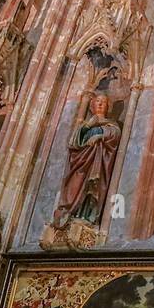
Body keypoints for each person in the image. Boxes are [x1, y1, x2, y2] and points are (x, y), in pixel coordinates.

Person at [52, 93, 121, 230]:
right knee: (76, 185)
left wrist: (100, 135)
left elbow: (116, 134)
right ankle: (71, 214)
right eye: (97, 101)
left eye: (103, 102)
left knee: (92, 186)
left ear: (108, 107)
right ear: (91, 106)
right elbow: (73, 143)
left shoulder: (111, 125)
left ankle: (88, 216)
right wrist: (88, 126)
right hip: (80, 163)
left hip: (97, 161)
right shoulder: (85, 125)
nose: (100, 104)